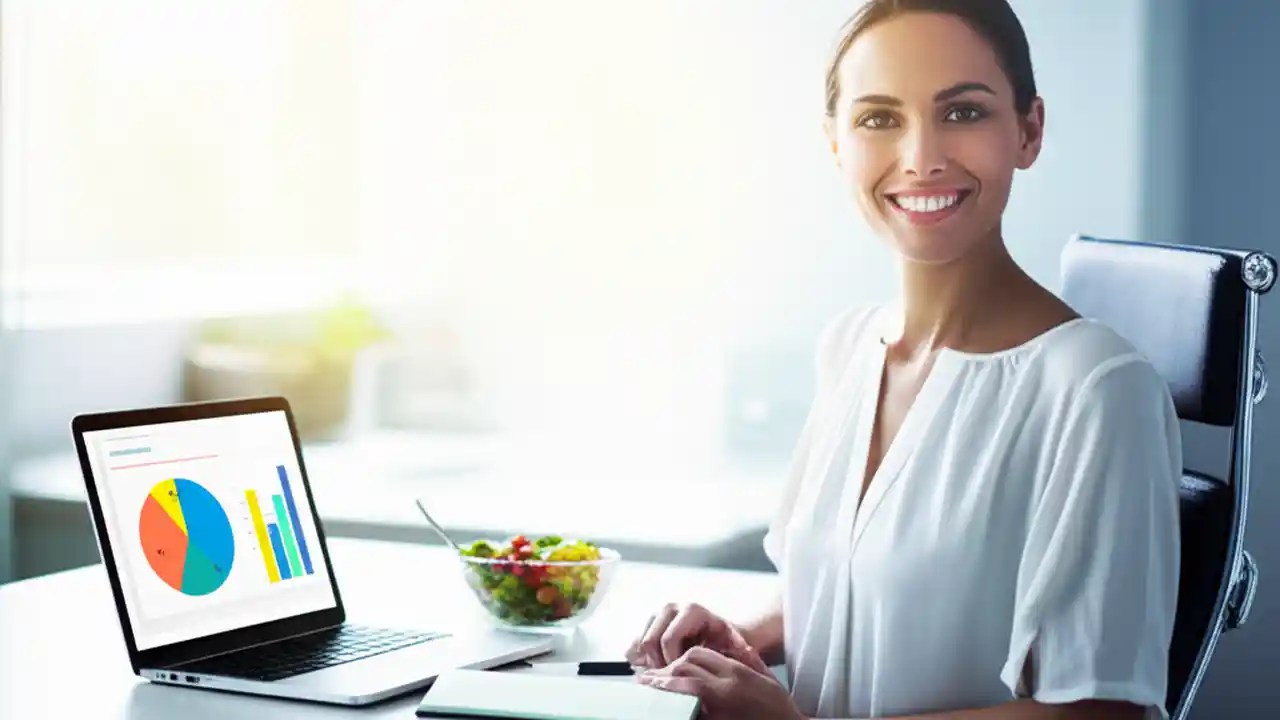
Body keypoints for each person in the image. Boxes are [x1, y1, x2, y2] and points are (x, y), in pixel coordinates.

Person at [625, 1, 1182, 719]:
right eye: (879, 118)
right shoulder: (850, 348)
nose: (921, 156)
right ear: (835, 142)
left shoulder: (1096, 390)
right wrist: (751, 640)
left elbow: (1101, 714)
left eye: (963, 113)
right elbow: (856, 588)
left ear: (1029, 130)